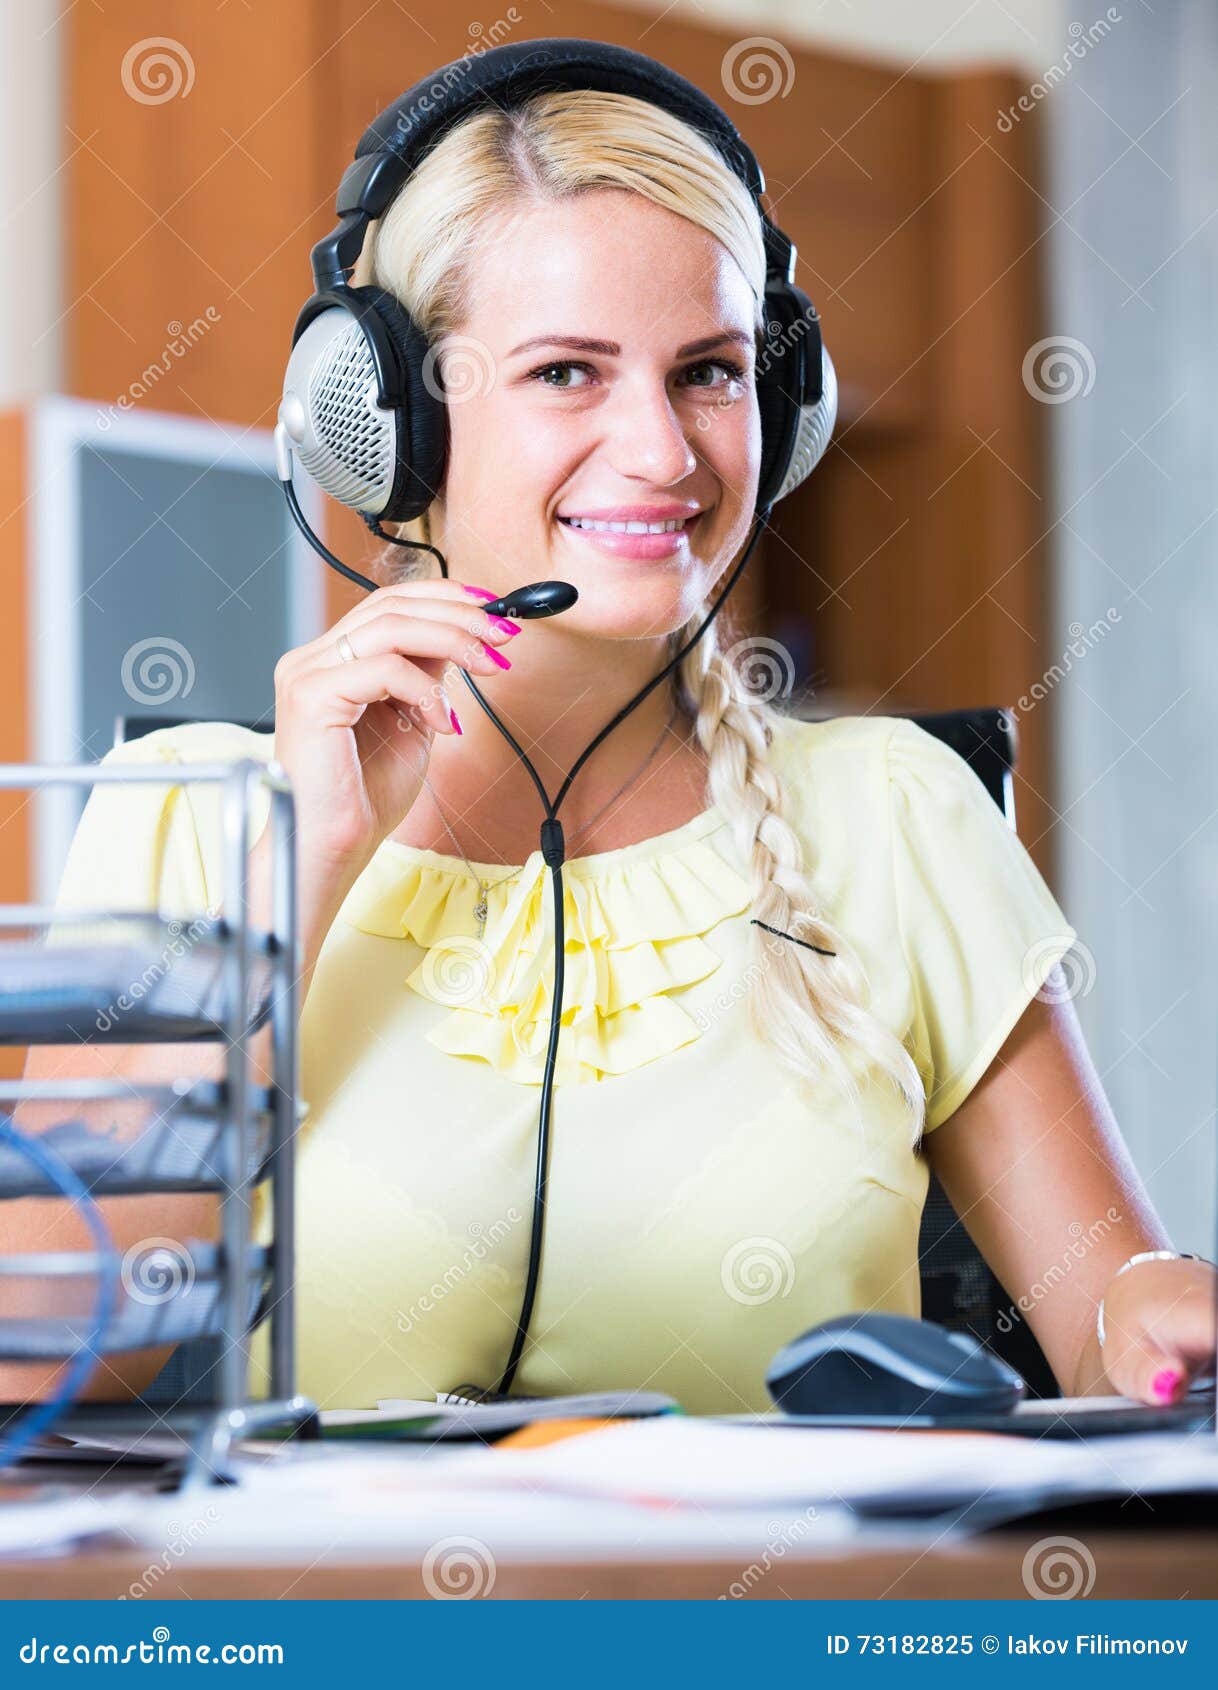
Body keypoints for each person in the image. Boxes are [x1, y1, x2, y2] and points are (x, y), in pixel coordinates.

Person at [10, 80, 1214, 1418]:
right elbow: (46, 1347)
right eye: (565, 371)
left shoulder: (897, 818)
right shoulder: (191, 819)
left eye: (705, 371)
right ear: (390, 420)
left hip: (780, 1625)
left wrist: (1158, 1309)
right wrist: (302, 861)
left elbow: (1112, 1317)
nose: (658, 448)